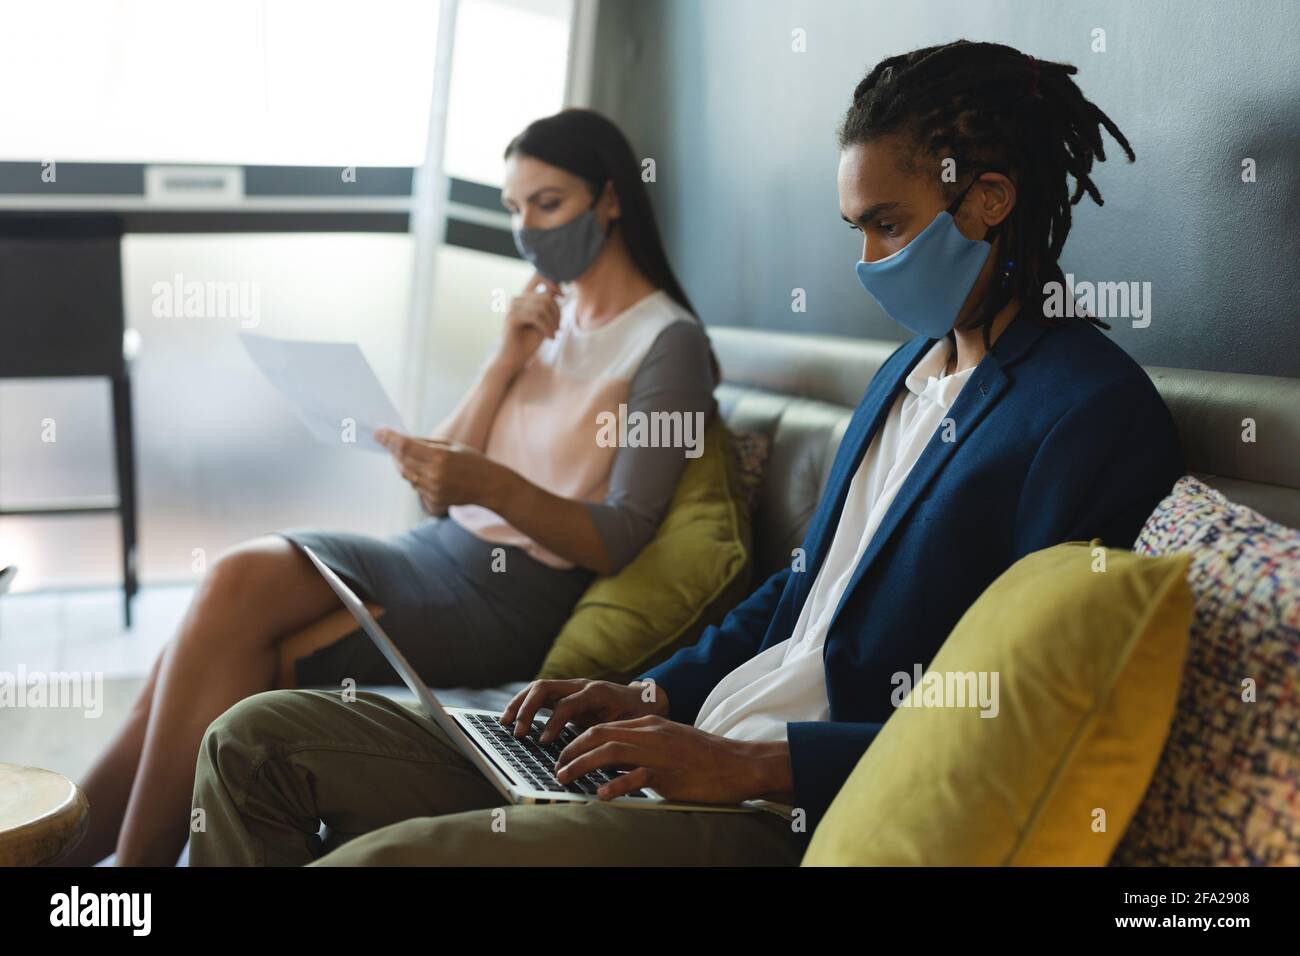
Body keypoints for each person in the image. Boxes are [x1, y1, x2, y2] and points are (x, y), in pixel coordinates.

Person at [187, 40, 1184, 867]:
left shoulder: (1085, 414)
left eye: (889, 225)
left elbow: (1004, 720)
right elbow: (800, 597)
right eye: (856, 229)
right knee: (253, 741)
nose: (867, 263)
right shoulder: (904, 375)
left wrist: (746, 767)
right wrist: (650, 692)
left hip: (774, 809)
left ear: (992, 198)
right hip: (697, 744)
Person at [65, 109, 718, 867]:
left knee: (237, 601)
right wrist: (504, 361)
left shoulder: (669, 343)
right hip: (438, 549)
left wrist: (496, 487)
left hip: (517, 593)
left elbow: (624, 533)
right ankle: (54, 863)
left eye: (548, 205)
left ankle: (127, 885)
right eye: (514, 209)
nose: (528, 229)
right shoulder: (548, 316)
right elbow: (440, 491)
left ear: (610, 198)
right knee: (202, 633)